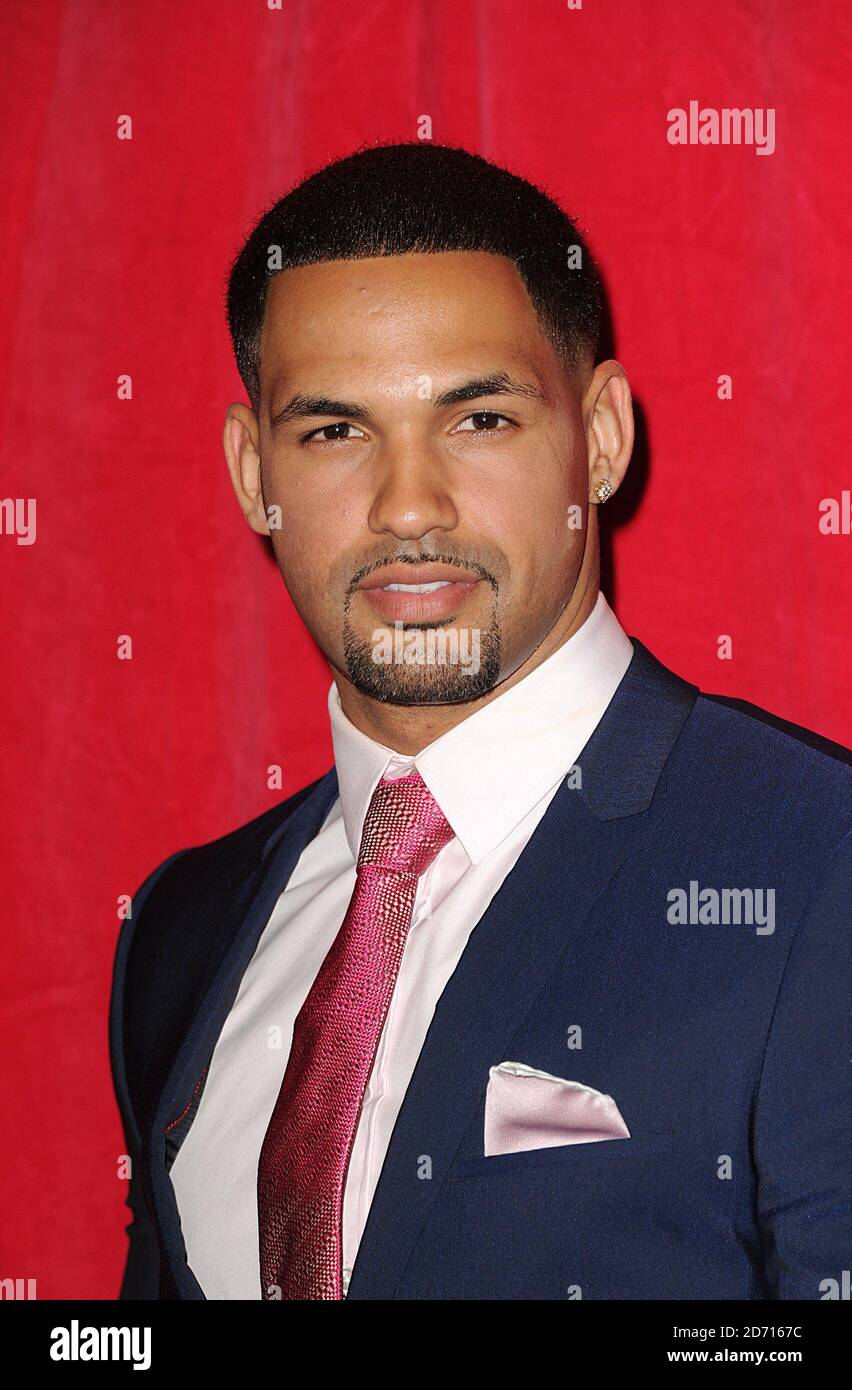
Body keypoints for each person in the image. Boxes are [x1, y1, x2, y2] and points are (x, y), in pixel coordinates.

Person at [109, 141, 851, 1301]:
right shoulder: (182, 927)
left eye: (482, 420)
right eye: (335, 432)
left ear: (600, 438)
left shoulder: (820, 868)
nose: (410, 506)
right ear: (254, 470)